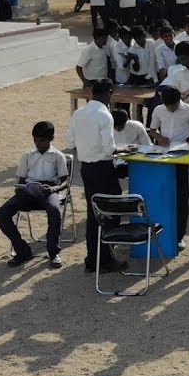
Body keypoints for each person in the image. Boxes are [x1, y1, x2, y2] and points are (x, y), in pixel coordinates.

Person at [65, 79, 127, 274]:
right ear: (108, 93)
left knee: (94, 215)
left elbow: (69, 141)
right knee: (112, 212)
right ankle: (106, 258)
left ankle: (92, 259)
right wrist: (122, 150)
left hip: (87, 169)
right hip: (103, 168)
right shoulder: (104, 115)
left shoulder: (78, 113)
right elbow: (109, 148)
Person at [0, 121, 69, 269]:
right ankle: (22, 250)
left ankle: (53, 252)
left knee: (54, 210)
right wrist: (20, 189)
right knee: (1, 214)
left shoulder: (58, 156)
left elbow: (65, 182)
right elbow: (21, 180)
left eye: (42, 140)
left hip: (48, 191)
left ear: (51, 139)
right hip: (28, 191)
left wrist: (54, 189)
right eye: (35, 140)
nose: (38, 143)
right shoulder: (27, 156)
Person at [149, 86, 189, 248]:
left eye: (173, 106)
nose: (171, 109)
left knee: (181, 196)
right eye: (168, 106)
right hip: (163, 155)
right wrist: (158, 136)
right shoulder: (158, 109)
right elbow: (152, 129)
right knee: (162, 193)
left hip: (182, 155)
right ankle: (160, 231)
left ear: (179, 101)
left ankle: (179, 235)